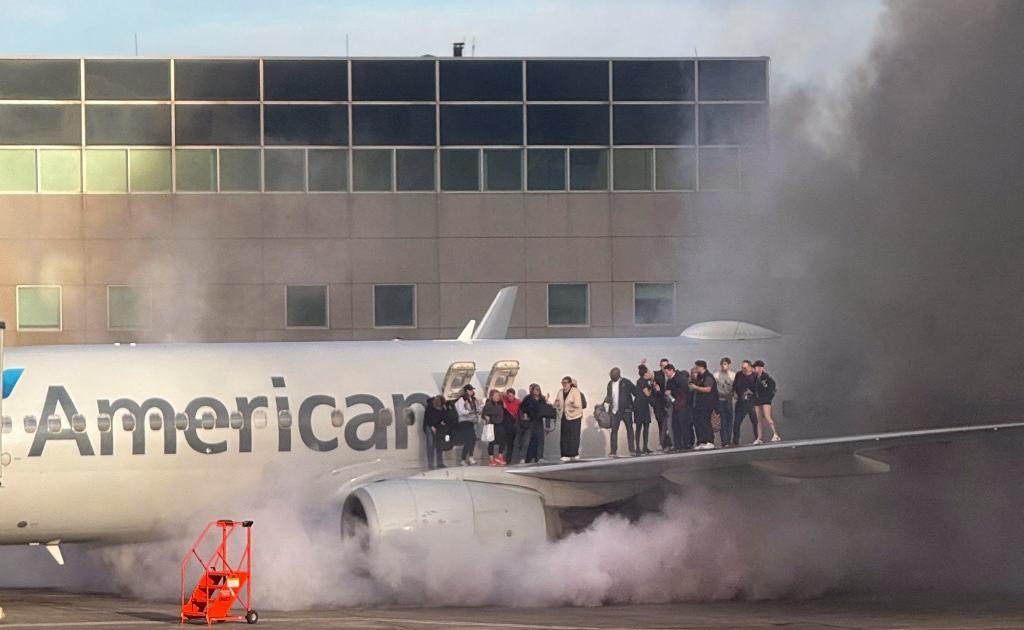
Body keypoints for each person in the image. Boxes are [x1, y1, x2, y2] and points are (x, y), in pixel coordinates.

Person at [512, 384, 550, 464]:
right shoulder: (528, 399)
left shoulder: (542, 399)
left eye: (538, 389)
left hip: (539, 422)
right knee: (527, 440)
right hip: (529, 422)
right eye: (535, 389)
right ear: (532, 390)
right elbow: (522, 409)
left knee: (540, 440)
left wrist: (547, 425)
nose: (537, 391)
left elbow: (547, 412)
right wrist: (524, 416)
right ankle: (523, 458)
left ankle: (539, 457)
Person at [603, 367, 637, 457]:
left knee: (629, 429)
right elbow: (609, 395)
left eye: (613, 375)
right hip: (615, 411)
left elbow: (635, 392)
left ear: (618, 374)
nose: (611, 377)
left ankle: (632, 450)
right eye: (610, 375)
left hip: (626, 411)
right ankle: (613, 451)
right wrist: (606, 403)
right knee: (614, 431)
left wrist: (632, 406)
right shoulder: (610, 384)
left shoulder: (626, 382)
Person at [688, 360, 717, 450]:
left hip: (707, 404)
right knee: (698, 422)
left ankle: (710, 441)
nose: (696, 369)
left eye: (697, 367)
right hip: (698, 404)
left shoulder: (708, 376)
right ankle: (701, 441)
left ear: (702, 367)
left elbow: (708, 389)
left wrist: (696, 387)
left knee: (705, 422)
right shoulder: (699, 377)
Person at [553, 375, 584, 461]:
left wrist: (571, 404)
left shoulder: (575, 391)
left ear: (570, 383)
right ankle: (564, 454)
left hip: (575, 416)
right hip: (564, 416)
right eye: (562, 383)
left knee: (574, 436)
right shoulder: (560, 392)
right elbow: (557, 402)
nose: (564, 385)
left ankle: (574, 453)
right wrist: (556, 404)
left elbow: (579, 404)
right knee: (564, 436)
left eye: (565, 383)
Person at [663, 364, 693, 450]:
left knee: (684, 424)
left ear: (672, 370)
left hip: (683, 405)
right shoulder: (669, 381)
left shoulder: (680, 378)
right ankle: (677, 445)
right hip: (675, 405)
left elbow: (685, 390)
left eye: (667, 372)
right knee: (675, 425)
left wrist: (671, 391)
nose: (666, 374)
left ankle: (687, 444)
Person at [752, 360, 781, 443]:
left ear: (761, 368)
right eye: (755, 367)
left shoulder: (767, 378)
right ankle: (759, 438)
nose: (756, 369)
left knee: (768, 417)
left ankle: (776, 434)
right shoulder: (754, 378)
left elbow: (773, 388)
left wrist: (768, 397)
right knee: (759, 420)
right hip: (757, 400)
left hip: (765, 400)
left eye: (758, 367)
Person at [649, 358, 673, 452]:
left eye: (666, 366)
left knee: (669, 425)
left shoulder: (671, 376)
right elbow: (652, 384)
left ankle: (669, 443)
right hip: (659, 404)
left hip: (670, 403)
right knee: (661, 424)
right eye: (662, 366)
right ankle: (663, 443)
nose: (664, 368)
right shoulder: (656, 374)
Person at [732, 360, 759, 444]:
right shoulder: (739, 374)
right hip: (741, 402)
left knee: (755, 421)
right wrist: (735, 394)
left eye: (745, 368)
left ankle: (757, 438)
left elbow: (758, 388)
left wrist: (752, 392)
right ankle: (735, 441)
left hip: (751, 402)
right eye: (742, 367)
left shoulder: (755, 376)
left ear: (750, 367)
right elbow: (735, 386)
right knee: (736, 423)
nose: (743, 369)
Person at [454, 384, 481, 465]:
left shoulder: (474, 399)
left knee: (473, 439)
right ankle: (463, 458)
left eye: (472, 390)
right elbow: (461, 411)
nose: (472, 391)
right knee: (468, 440)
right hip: (464, 422)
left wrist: (479, 409)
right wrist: (470, 412)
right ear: (466, 391)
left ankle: (470, 456)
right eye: (470, 390)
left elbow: (478, 408)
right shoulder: (461, 400)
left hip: (472, 421)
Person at [423, 395, 449, 469]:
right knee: (430, 444)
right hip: (429, 425)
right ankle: (430, 463)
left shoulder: (443, 408)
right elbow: (427, 418)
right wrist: (432, 426)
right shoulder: (430, 407)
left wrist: (441, 423)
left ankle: (440, 463)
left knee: (439, 444)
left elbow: (444, 417)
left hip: (438, 426)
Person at [715, 357, 737, 447]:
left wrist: (732, 395)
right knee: (723, 420)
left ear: (729, 365)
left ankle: (728, 439)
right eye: (722, 364)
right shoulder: (716, 375)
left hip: (729, 400)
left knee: (730, 420)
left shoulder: (733, 375)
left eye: (725, 364)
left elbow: (736, 388)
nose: (723, 366)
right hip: (720, 400)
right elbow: (714, 390)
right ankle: (724, 441)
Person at [482, 389, 507, 466]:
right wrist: (486, 417)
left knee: (503, 440)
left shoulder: (500, 403)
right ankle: (491, 459)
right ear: (491, 396)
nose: (497, 397)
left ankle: (500, 456)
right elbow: (483, 414)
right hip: (492, 424)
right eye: (495, 395)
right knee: (491, 442)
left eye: (498, 396)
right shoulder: (489, 404)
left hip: (500, 424)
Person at [634, 367, 655, 455]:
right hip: (640, 406)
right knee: (639, 427)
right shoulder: (642, 381)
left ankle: (644, 447)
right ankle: (638, 447)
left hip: (644, 405)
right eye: (648, 373)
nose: (650, 374)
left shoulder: (643, 381)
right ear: (645, 374)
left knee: (646, 426)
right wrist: (652, 387)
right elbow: (647, 393)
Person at [501, 388, 521, 461]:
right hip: (504, 424)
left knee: (510, 443)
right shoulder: (504, 399)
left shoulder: (518, 402)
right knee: (503, 442)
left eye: (511, 396)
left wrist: (506, 408)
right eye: (509, 396)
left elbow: (514, 413)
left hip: (513, 424)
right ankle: (502, 457)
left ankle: (508, 459)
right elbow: (499, 394)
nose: (510, 398)